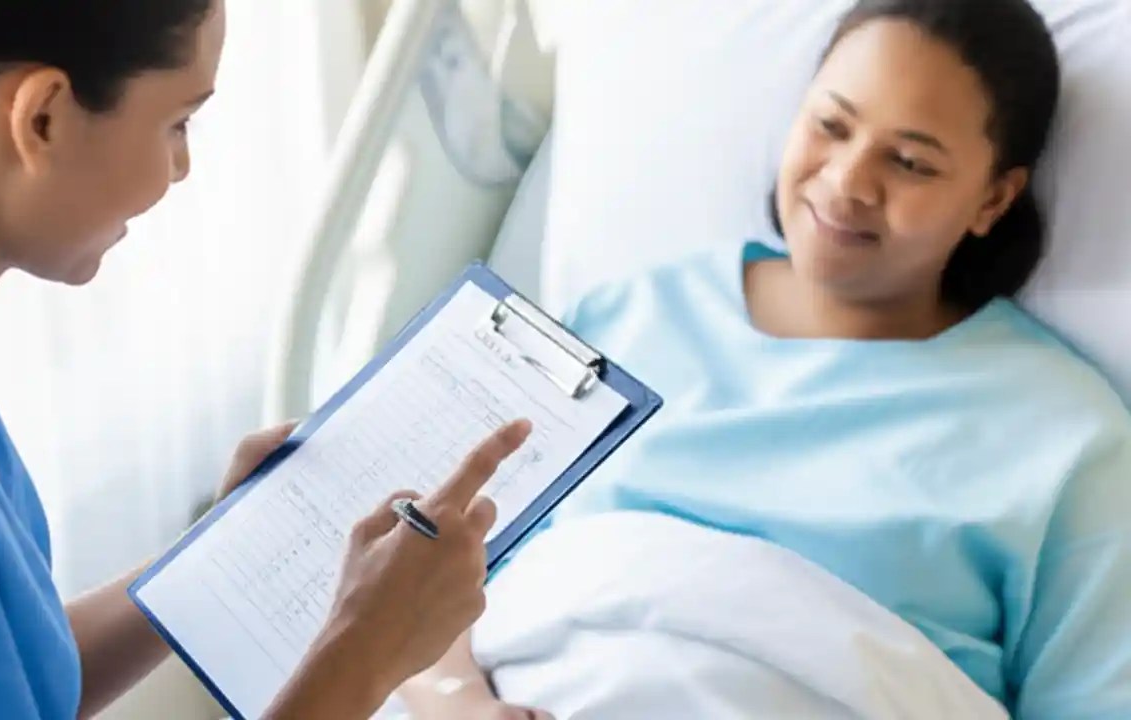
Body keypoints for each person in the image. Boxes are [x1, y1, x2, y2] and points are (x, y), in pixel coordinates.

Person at [400, 0, 1131, 718]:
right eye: (831, 126)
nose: (847, 183)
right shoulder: (620, 323)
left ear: (993, 199)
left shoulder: (1067, 439)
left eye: (909, 162)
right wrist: (456, 704)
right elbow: (420, 579)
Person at [0, 1, 534, 718]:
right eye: (178, 123)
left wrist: (218, 554)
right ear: (43, 117)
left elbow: (8, 680)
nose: (180, 167)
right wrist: (367, 651)